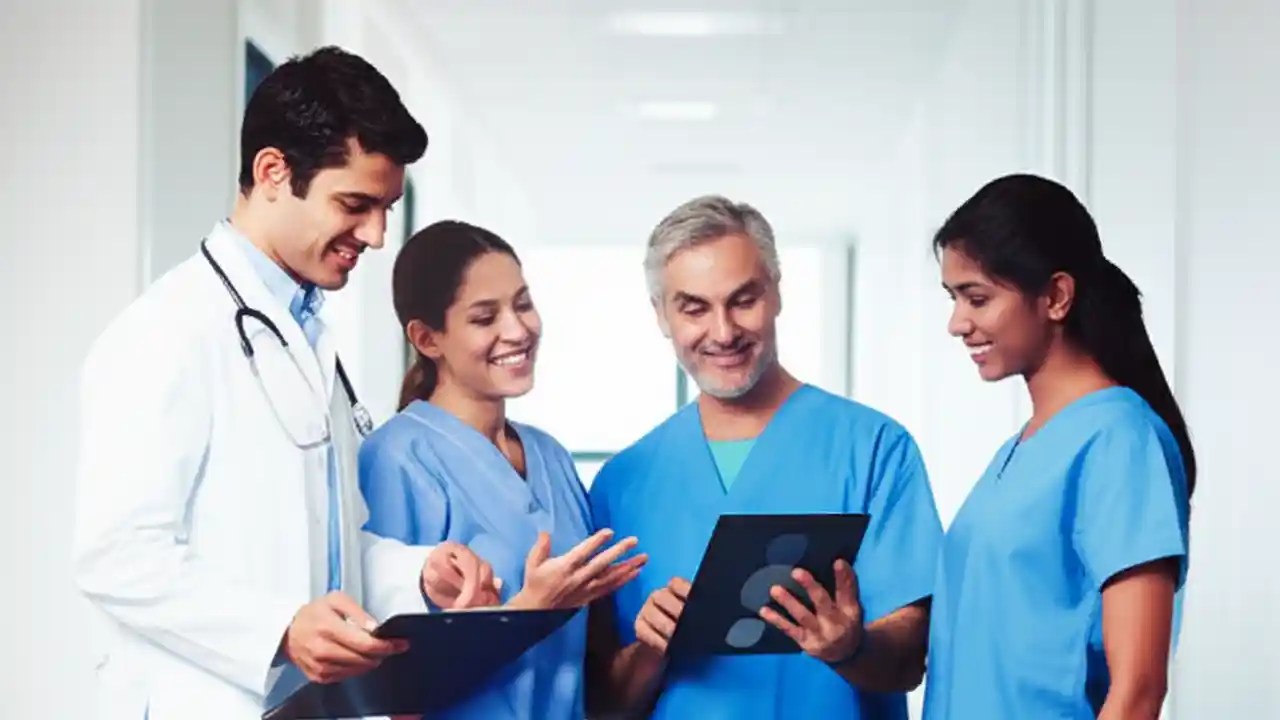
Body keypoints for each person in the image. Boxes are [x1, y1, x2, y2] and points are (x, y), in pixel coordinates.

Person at [72, 47, 497, 720]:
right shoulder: (167, 331)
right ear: (273, 172)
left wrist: (418, 573)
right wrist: (279, 629)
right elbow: (116, 556)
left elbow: (327, 548)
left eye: (386, 208)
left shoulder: (303, 332)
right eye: (356, 204)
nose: (378, 235)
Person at [585, 195, 944, 719]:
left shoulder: (873, 449)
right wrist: (649, 650)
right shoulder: (622, 484)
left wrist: (850, 648)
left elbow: (910, 658)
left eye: (743, 299)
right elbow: (603, 706)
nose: (724, 331)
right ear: (661, 316)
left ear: (777, 292)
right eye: (694, 308)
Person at [923, 173, 1193, 719]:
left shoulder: (1119, 438)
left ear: (1056, 296)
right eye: (953, 299)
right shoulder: (1018, 451)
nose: (957, 323)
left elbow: (1139, 688)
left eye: (977, 298)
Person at [358, 220, 647, 719]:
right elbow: (390, 689)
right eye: (485, 317)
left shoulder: (550, 456)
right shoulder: (396, 459)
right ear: (428, 338)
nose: (518, 330)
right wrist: (528, 611)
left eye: (523, 303)